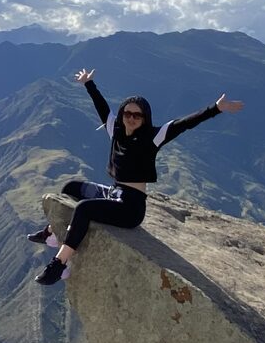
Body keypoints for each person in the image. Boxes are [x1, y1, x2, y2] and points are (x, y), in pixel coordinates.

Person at [30, 67, 244, 285]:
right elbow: (101, 107)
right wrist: (88, 83)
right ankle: (53, 234)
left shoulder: (153, 137)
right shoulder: (116, 130)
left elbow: (184, 124)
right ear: (123, 114)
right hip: (114, 192)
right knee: (71, 188)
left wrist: (216, 108)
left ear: (144, 118)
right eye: (128, 113)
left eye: (137, 115)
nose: (131, 118)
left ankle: (59, 266)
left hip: (130, 207)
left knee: (84, 208)